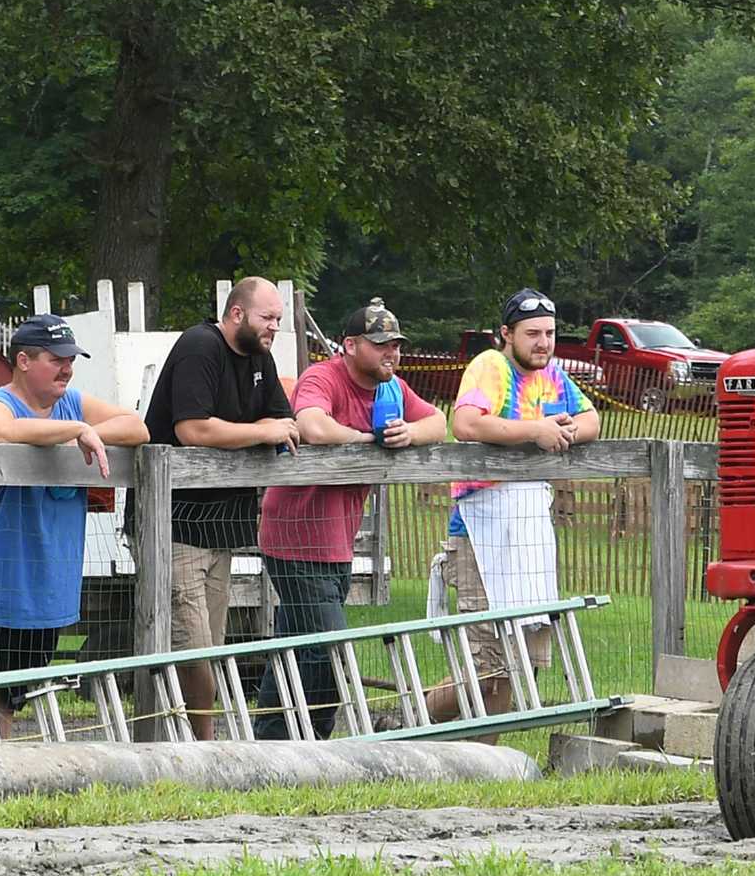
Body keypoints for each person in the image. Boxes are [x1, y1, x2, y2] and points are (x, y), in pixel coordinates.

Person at [0, 315, 147, 740]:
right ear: (23, 361)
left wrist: (80, 433)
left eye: (71, 360)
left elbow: (137, 426)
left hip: (40, 595)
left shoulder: (74, 402)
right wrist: (77, 431)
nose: (66, 368)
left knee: (9, 699)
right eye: (56, 359)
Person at [255, 299, 446, 739]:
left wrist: (408, 434)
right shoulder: (323, 377)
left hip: (338, 540)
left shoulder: (391, 387)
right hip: (295, 533)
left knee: (296, 644)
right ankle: (316, 742)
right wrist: (366, 442)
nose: (391, 355)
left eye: (395, 345)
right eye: (380, 345)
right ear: (349, 346)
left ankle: (267, 738)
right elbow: (312, 427)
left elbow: (438, 422)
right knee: (328, 649)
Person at [423, 289, 600, 738]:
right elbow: (464, 423)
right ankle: (426, 725)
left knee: (522, 656)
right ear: (506, 334)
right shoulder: (491, 366)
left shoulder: (554, 374)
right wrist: (534, 432)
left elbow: (593, 419)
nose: (543, 343)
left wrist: (565, 431)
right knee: (490, 665)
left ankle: (468, 744)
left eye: (550, 333)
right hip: (479, 527)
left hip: (525, 527)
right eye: (532, 333)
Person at [141, 276, 301, 739]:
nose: (273, 327)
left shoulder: (259, 359)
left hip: (223, 525)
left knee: (210, 643)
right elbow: (192, 429)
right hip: (175, 520)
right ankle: (202, 747)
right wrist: (261, 432)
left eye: (278, 319)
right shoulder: (199, 347)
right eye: (267, 318)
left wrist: (270, 427)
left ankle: (192, 741)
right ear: (236, 314)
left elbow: (283, 417)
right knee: (193, 647)